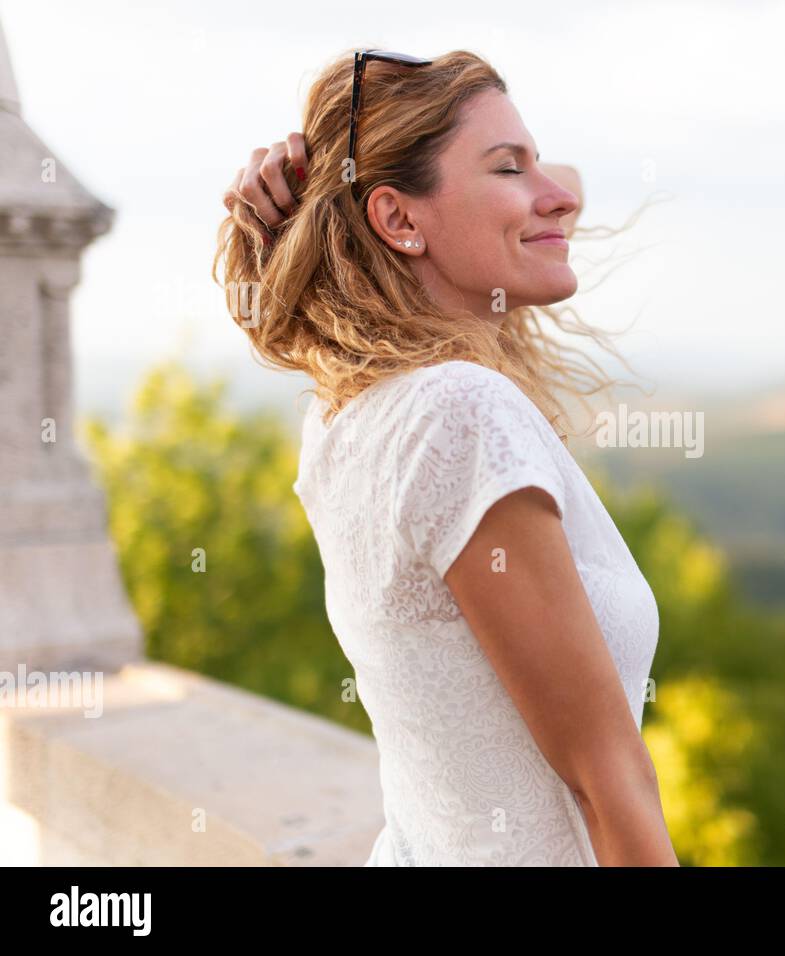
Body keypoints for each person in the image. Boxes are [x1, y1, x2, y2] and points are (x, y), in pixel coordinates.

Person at [215, 48, 676, 866]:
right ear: (399, 221)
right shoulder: (460, 415)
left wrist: (328, 179)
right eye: (508, 168)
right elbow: (605, 781)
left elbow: (532, 188)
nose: (561, 197)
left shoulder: (350, 411)